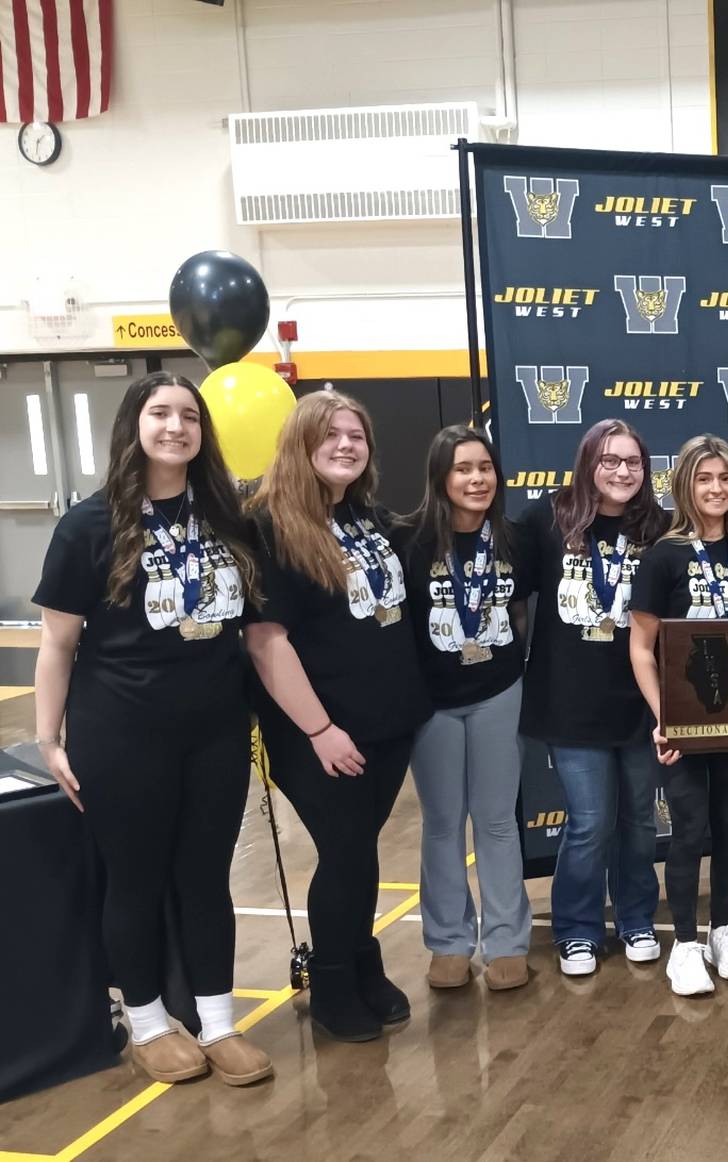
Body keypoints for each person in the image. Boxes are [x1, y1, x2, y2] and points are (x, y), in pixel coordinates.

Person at [32, 372, 271, 1086]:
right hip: (120, 733)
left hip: (215, 734)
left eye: (189, 416)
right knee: (134, 880)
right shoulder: (88, 525)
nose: (176, 427)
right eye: (161, 413)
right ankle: (146, 1023)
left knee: (205, 878)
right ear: (134, 424)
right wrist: (49, 740)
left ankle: (219, 1022)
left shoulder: (232, 520)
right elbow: (56, 645)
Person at [244, 391, 431, 1041]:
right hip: (319, 733)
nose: (348, 444)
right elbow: (267, 642)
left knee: (359, 851)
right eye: (332, 435)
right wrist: (320, 731)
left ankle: (361, 961)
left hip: (388, 722)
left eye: (358, 435)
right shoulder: (270, 524)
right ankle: (330, 982)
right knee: (345, 851)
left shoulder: (366, 516)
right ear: (301, 443)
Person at [519, 419, 668, 977]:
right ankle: (577, 929)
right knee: (587, 822)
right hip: (571, 701)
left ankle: (635, 918)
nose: (622, 471)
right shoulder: (548, 519)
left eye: (633, 462)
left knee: (639, 819)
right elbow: (515, 599)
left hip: (639, 699)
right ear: (587, 464)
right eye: (609, 461)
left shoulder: (660, 527)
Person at [629, 435, 728, 995]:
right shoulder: (664, 555)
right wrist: (666, 719)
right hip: (684, 724)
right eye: (704, 478)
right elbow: (641, 649)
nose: (716, 489)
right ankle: (684, 944)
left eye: (725, 478)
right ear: (684, 485)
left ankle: (723, 931)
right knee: (689, 828)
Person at [401, 425, 533, 991]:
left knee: (498, 820)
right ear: (440, 477)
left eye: (485, 468)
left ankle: (507, 940)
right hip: (432, 704)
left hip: (499, 692)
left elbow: (523, 615)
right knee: (442, 823)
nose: (476, 479)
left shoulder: (515, 540)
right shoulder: (408, 541)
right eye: (462, 469)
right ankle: (449, 942)